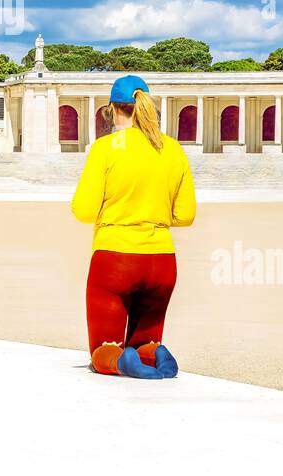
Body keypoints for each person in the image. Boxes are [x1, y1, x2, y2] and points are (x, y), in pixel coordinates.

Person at [70, 75, 196, 379]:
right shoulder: (173, 149)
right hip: (162, 261)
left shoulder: (105, 148)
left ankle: (122, 362)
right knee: (144, 342)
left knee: (104, 348)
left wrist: (117, 211)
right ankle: (158, 354)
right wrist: (154, 214)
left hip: (115, 259)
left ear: (114, 109)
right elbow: (186, 214)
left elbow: (83, 211)